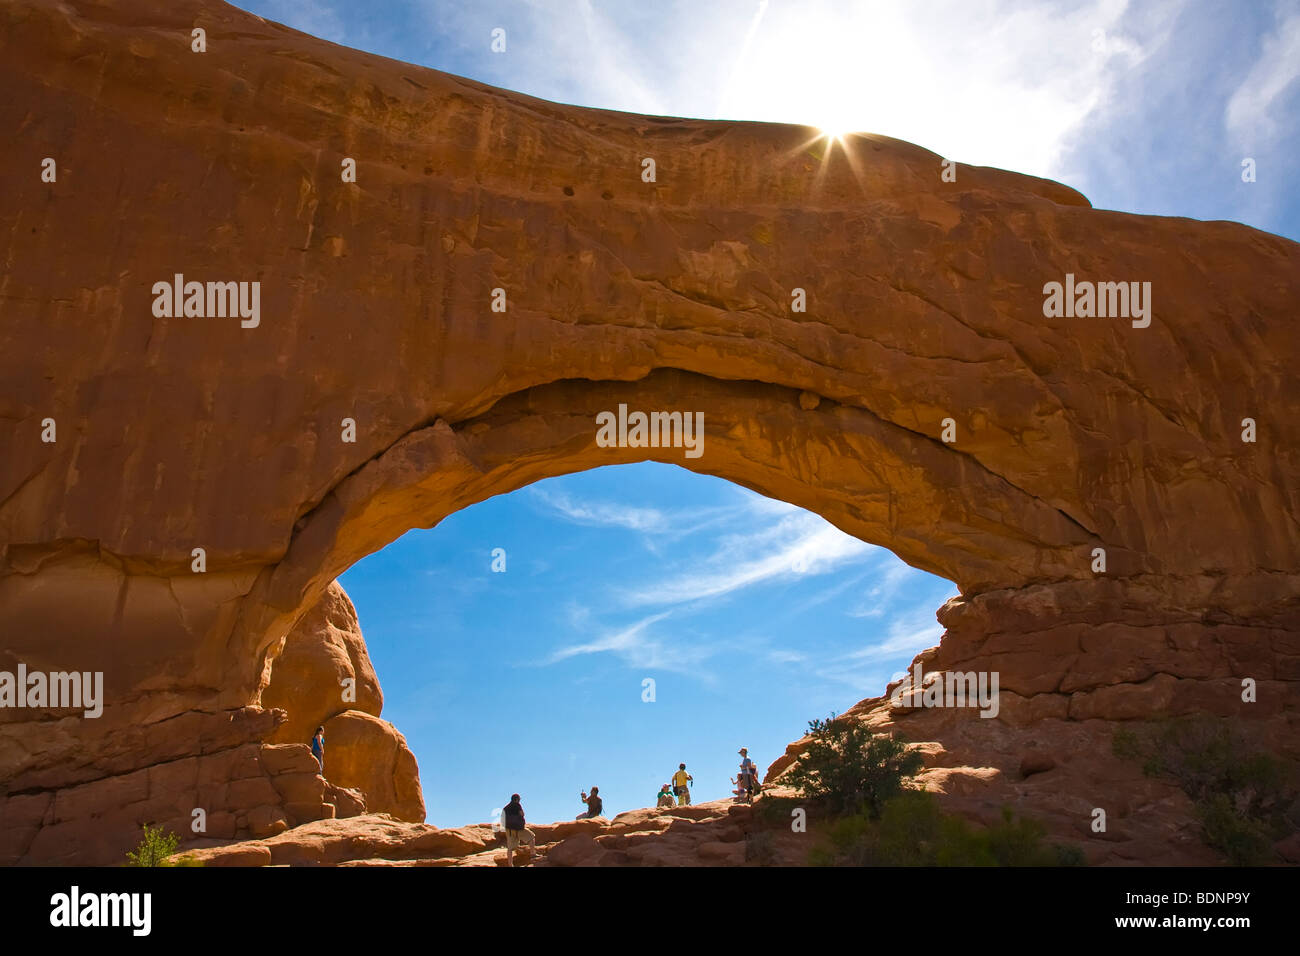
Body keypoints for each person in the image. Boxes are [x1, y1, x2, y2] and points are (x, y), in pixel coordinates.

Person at [501, 793, 536, 867]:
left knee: (510, 848)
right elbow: (522, 814)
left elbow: (502, 820)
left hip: (509, 830)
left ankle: (510, 865)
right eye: (519, 799)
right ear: (517, 799)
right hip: (519, 828)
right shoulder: (517, 805)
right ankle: (533, 855)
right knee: (531, 837)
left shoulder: (505, 808)